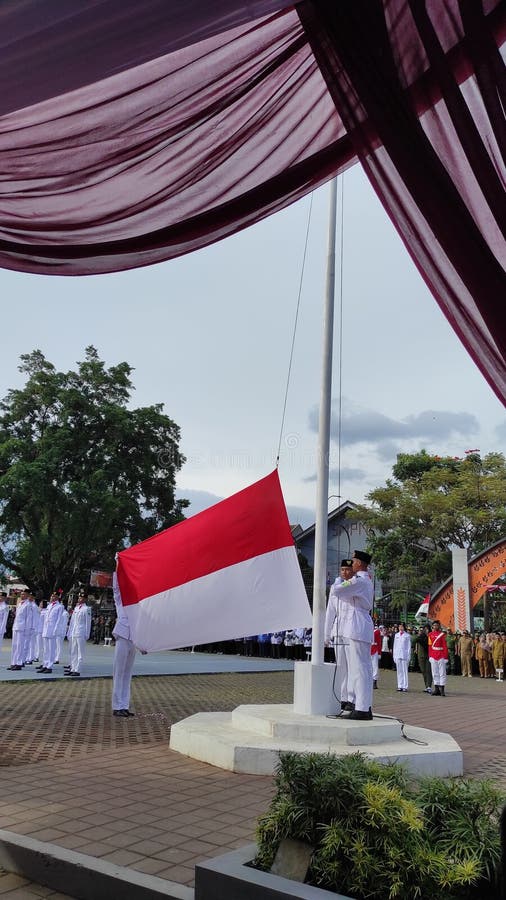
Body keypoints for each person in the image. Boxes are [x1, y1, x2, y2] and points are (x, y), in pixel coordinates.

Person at [326, 551, 374, 721]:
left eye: (353, 561)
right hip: (358, 626)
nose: (351, 565)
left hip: (356, 626)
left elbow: (337, 591)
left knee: (359, 669)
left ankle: (361, 708)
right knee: (361, 669)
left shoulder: (359, 580)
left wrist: (338, 582)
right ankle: (363, 705)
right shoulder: (363, 580)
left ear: (360, 563)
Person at [111, 573, 146, 717]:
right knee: (119, 673)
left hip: (133, 639)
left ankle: (124, 705)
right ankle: (116, 706)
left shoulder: (138, 605)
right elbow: (116, 589)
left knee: (127, 674)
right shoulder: (121, 601)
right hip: (123, 636)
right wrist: (118, 567)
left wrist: (144, 644)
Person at [325, 558, 354, 709]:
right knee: (341, 665)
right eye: (343, 570)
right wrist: (326, 633)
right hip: (338, 630)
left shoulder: (354, 584)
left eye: (348, 570)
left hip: (350, 631)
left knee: (351, 666)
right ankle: (342, 697)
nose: (345, 572)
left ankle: (351, 698)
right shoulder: (335, 587)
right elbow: (330, 611)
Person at [37, 592, 65, 674]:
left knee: (51, 649)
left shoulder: (60, 607)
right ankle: (45, 664)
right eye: (52, 596)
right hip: (46, 629)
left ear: (57, 597)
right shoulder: (49, 606)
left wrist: (55, 630)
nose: (52, 597)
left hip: (52, 630)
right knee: (46, 649)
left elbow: (59, 620)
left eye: (54, 596)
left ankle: (49, 666)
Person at [65, 592, 92, 676]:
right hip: (74, 632)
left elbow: (88, 622)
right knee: (73, 651)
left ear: (85, 599)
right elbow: (72, 622)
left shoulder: (87, 609)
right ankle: (73, 668)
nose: (80, 599)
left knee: (80, 652)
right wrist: (69, 632)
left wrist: (87, 634)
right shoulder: (76, 608)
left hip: (81, 632)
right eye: (79, 598)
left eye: (82, 598)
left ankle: (78, 669)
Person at [428, 620, 448, 696]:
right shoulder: (430, 634)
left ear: (439, 626)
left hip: (441, 655)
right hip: (433, 655)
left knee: (442, 673)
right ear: (432, 626)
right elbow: (429, 646)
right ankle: (436, 689)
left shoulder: (442, 635)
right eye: (434, 625)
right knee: (434, 673)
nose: (435, 626)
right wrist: (430, 656)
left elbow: (445, 646)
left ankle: (442, 689)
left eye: (437, 625)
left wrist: (445, 657)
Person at [393, 622, 411, 692]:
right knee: (399, 671)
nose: (400, 628)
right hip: (398, 654)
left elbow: (409, 647)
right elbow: (395, 646)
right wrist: (394, 655)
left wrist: (408, 656)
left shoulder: (407, 636)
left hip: (404, 655)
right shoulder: (396, 635)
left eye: (402, 626)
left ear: (404, 627)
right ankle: (400, 685)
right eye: (399, 626)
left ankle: (405, 686)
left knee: (404, 671)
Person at [414, 625, 432, 693]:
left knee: (428, 671)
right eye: (425, 629)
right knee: (423, 671)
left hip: (429, 656)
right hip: (421, 656)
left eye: (427, 629)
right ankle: (426, 686)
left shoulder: (430, 636)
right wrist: (419, 634)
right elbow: (415, 640)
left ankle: (429, 686)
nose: (426, 630)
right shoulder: (420, 637)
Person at [371, 623, 382, 689]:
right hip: (369, 649)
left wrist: (379, 653)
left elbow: (379, 642)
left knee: (375, 666)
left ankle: (374, 681)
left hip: (375, 650)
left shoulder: (377, 632)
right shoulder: (369, 630)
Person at [0, 592, 9, 657]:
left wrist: (2, 630)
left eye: (1, 596)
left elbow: (4, 620)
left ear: (5, 598)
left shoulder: (5, 607)